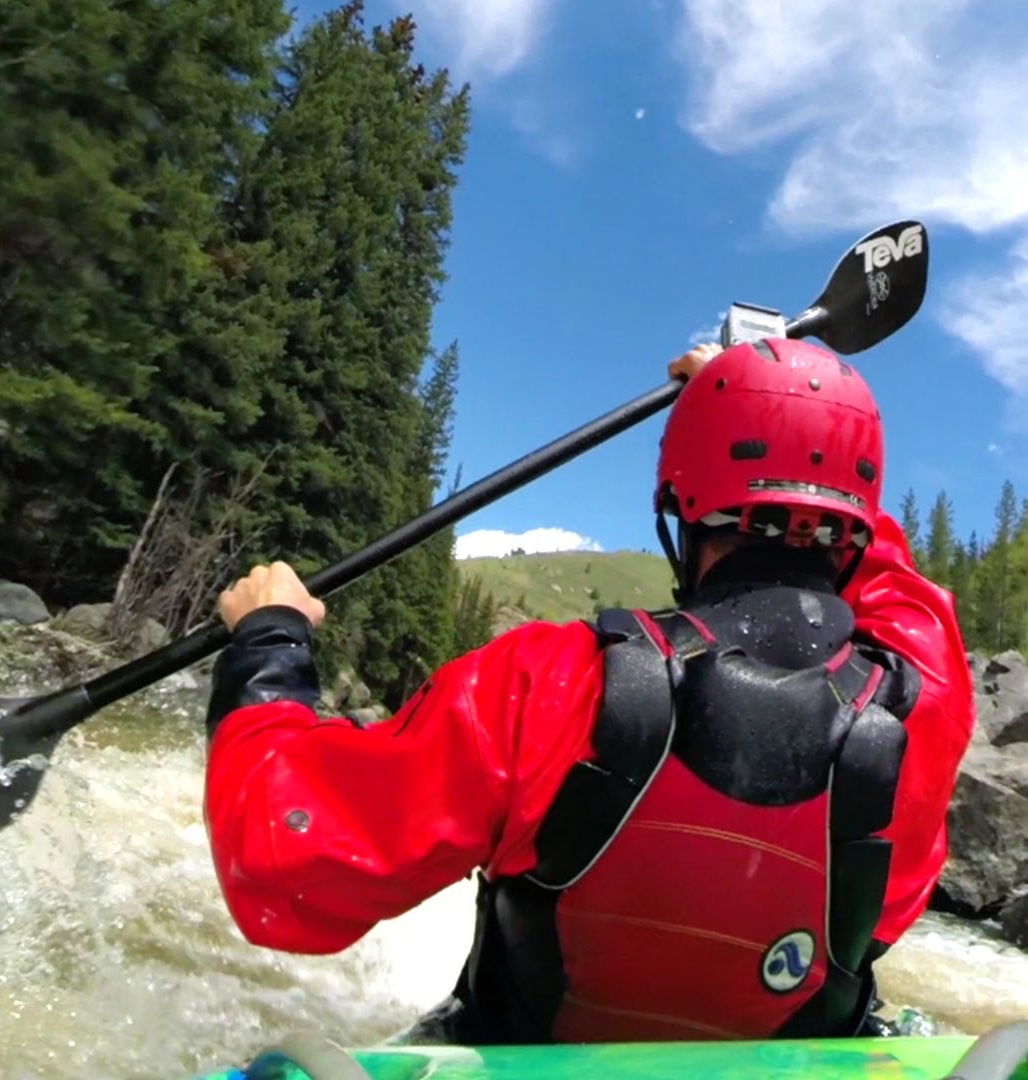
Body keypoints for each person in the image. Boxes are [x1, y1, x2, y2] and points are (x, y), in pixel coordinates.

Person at [201, 336, 977, 1046]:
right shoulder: (928, 702)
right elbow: (901, 596)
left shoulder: (543, 683)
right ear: (857, 523)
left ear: (681, 504)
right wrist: (784, 434)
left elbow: (280, 870)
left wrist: (269, 643)